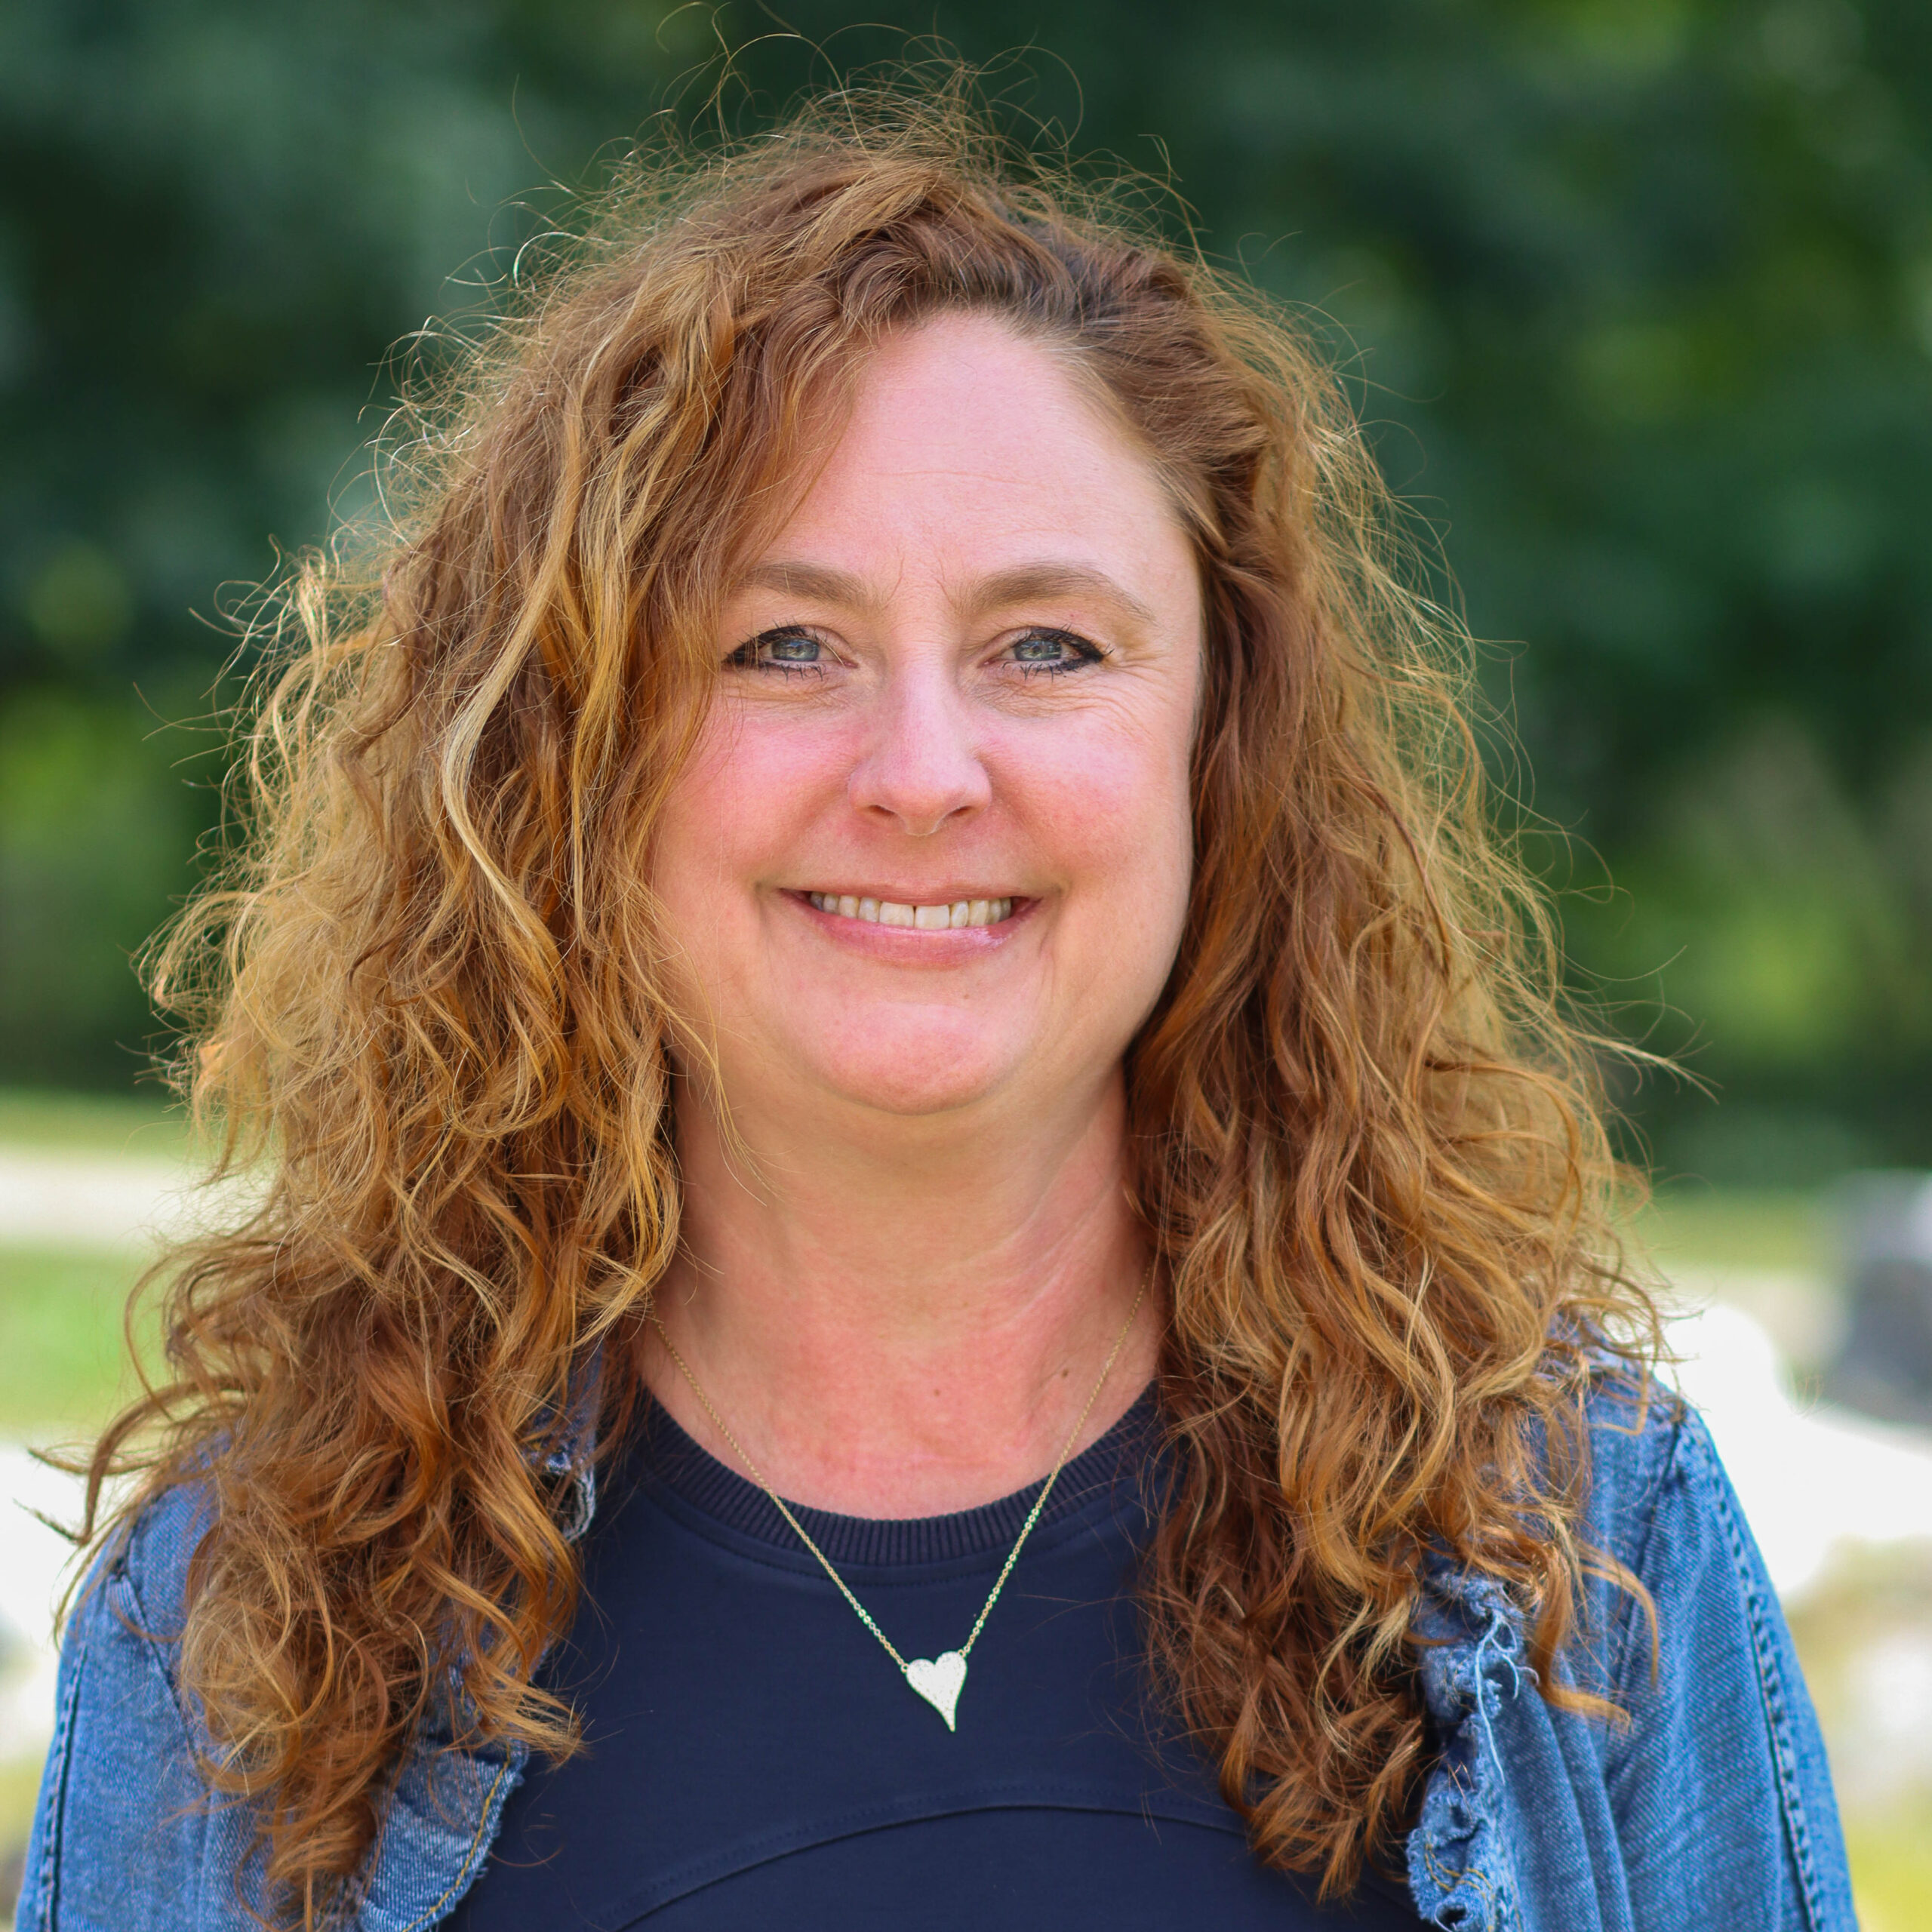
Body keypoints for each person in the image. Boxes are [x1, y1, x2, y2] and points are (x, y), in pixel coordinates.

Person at [20, 82, 1854, 1932]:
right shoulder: (253, 1621)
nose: (920, 769)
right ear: (569, 767)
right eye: (780, 645)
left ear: (1222, 750)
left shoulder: (1581, 1546)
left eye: (1043, 646)